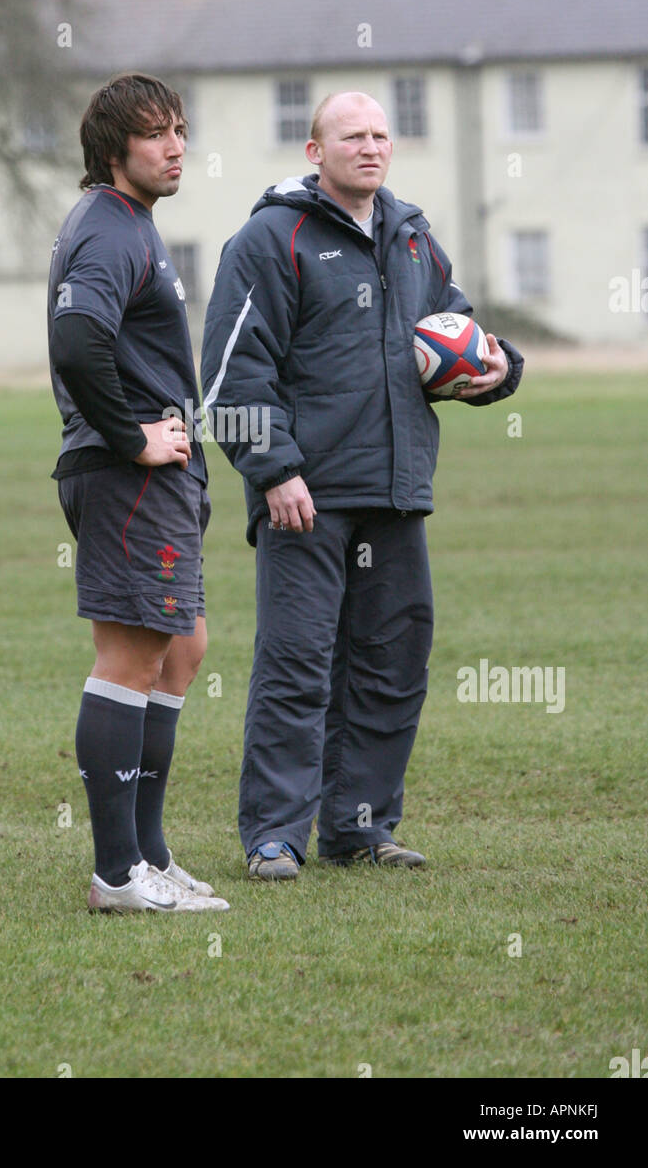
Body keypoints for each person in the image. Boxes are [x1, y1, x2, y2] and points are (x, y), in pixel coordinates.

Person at [201, 91, 524, 880]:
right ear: (315, 151)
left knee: (391, 665)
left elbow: (456, 326)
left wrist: (502, 365)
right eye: (351, 135)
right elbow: (228, 372)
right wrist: (274, 470)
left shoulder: (411, 239)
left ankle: (360, 827)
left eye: (381, 134)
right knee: (296, 664)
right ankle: (274, 836)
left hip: (396, 491)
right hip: (306, 497)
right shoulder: (271, 239)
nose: (369, 147)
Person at [48, 72, 228, 913]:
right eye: (156, 133)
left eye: (180, 130)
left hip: (158, 477)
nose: (175, 146)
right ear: (114, 148)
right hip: (126, 476)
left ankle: (149, 854)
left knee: (181, 648)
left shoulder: (134, 226)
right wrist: (133, 437)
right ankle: (116, 874)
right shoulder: (110, 228)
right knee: (129, 657)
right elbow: (77, 340)